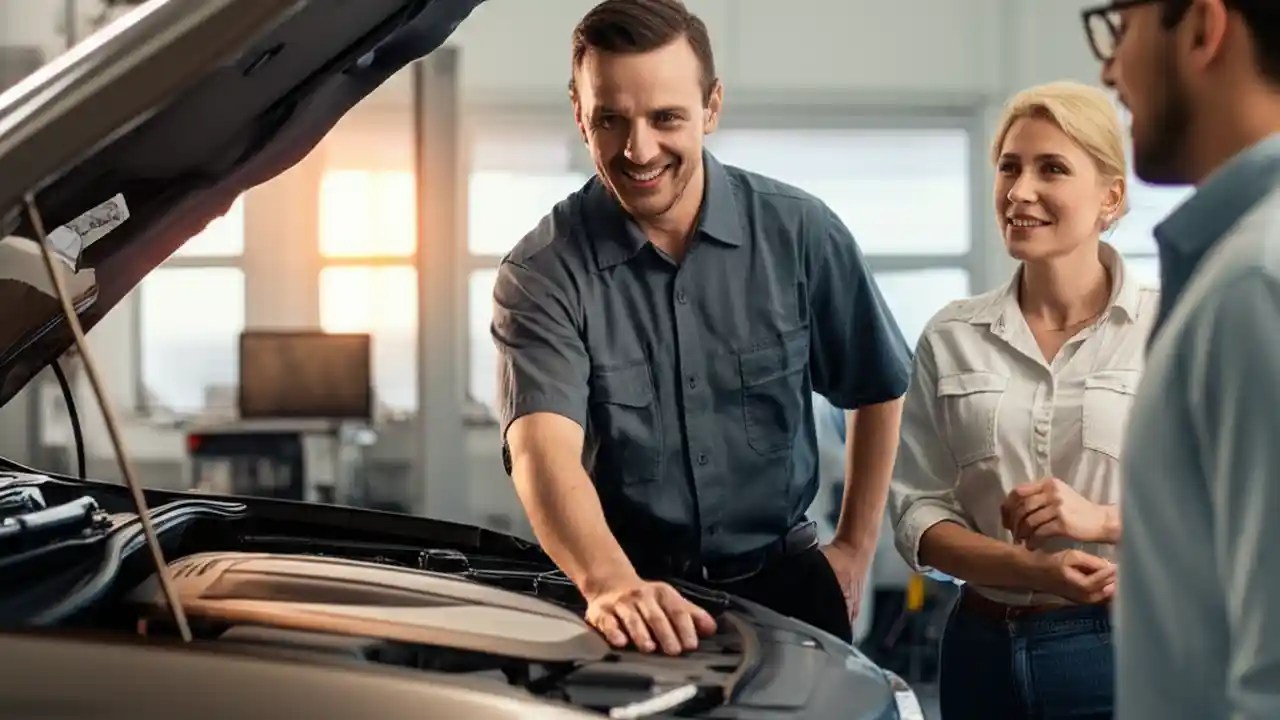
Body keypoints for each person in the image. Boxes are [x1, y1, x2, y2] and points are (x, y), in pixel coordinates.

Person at [490, 0, 911, 653]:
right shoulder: (542, 272)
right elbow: (544, 455)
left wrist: (855, 546)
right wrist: (610, 584)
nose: (639, 149)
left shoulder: (801, 232)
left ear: (711, 108)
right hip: (632, 598)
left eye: (666, 118)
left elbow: (878, 385)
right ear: (579, 113)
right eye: (611, 119)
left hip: (790, 586)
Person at [889, 80, 1159, 719]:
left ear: (1110, 197)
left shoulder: (1169, 327)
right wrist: (1030, 569)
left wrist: (1102, 522)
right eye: (1009, 167)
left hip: (1119, 646)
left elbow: (1227, 505)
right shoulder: (952, 335)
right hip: (978, 647)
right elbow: (918, 514)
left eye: (1052, 168)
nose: (1020, 190)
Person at [1079, 1, 1280, 717]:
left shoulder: (1256, 283)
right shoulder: (1234, 268)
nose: (1109, 67)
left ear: (1202, 27)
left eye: (1120, 26)